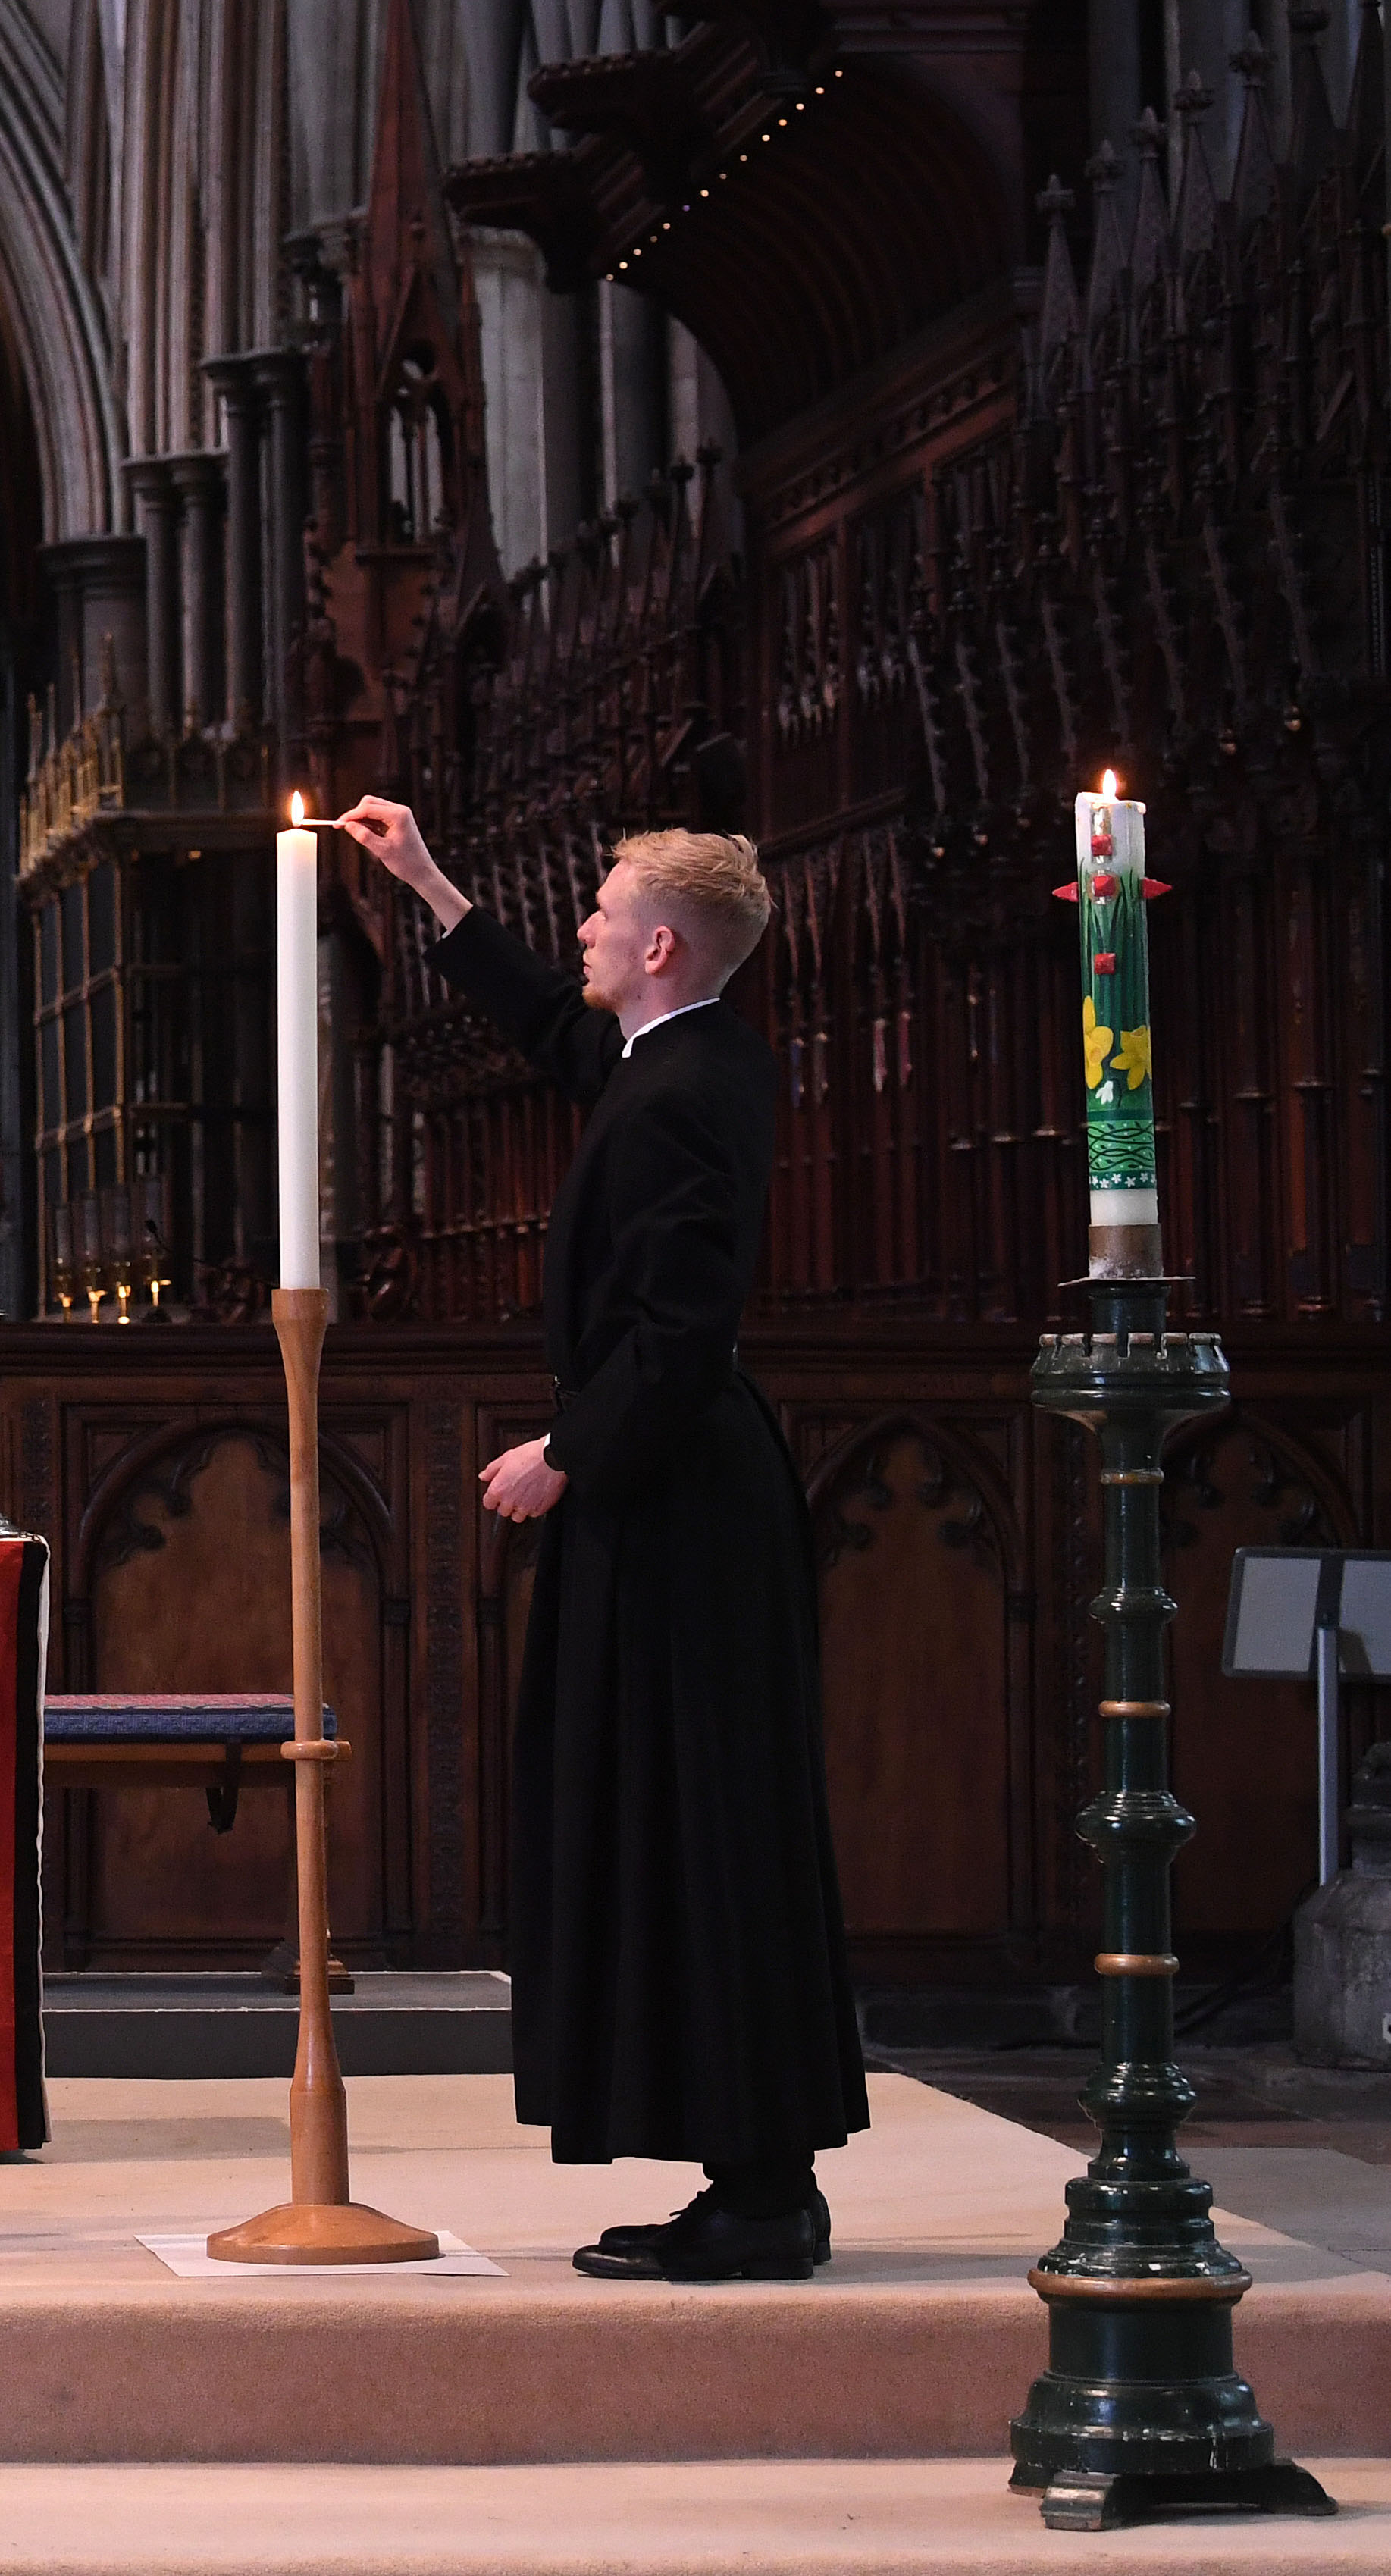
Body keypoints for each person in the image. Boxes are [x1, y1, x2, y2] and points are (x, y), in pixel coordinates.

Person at [337, 796, 867, 2282]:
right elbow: (561, 1044)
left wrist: (567, 1450)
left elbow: (682, 1327)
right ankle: (751, 2171)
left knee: (695, 1820)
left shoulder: (687, 1089)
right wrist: (434, 888)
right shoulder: (676, 1059)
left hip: (675, 1507)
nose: (575, 923)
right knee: (676, 1817)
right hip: (675, 1496)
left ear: (654, 943)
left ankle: (761, 2189)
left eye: (596, 907)